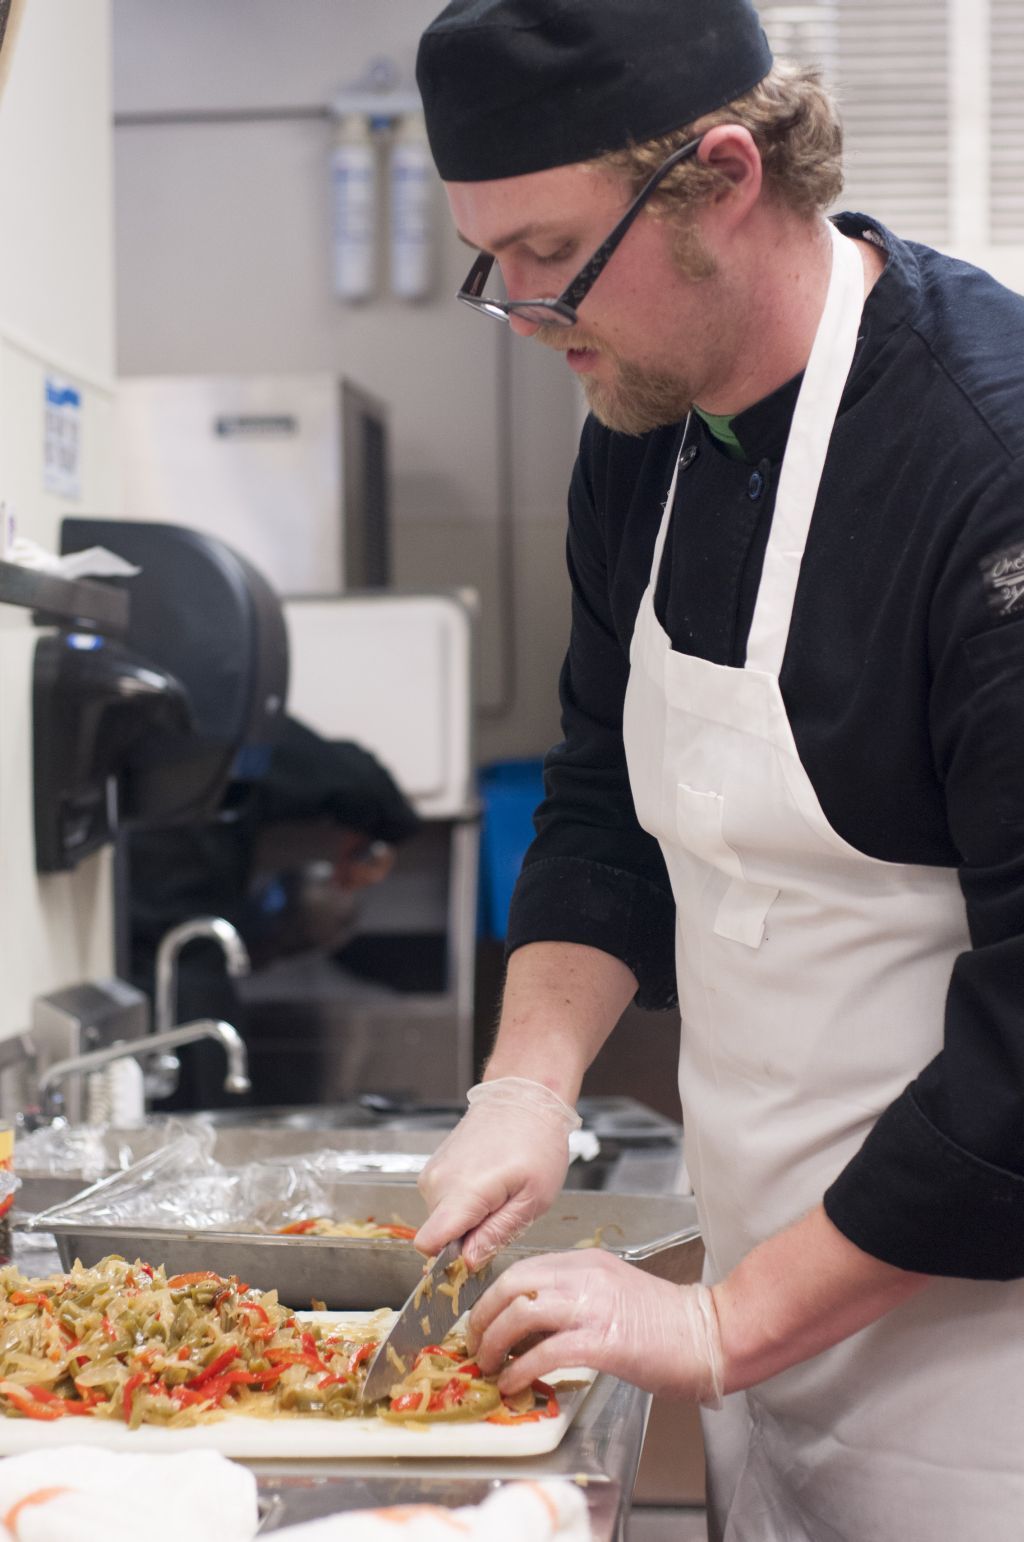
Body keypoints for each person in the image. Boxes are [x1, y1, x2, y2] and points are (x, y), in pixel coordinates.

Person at [410, 2, 1024, 1538]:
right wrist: (523, 1085)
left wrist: (717, 1325)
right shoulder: (645, 415)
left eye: (547, 251)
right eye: (493, 261)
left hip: (987, 1373)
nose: (524, 309)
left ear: (724, 177)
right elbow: (602, 793)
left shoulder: (987, 465)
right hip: (776, 1332)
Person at [126, 714, 419, 1108]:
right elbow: (366, 787)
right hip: (189, 994)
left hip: (119, 984)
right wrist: (378, 838)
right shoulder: (216, 714)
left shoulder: (108, 709)